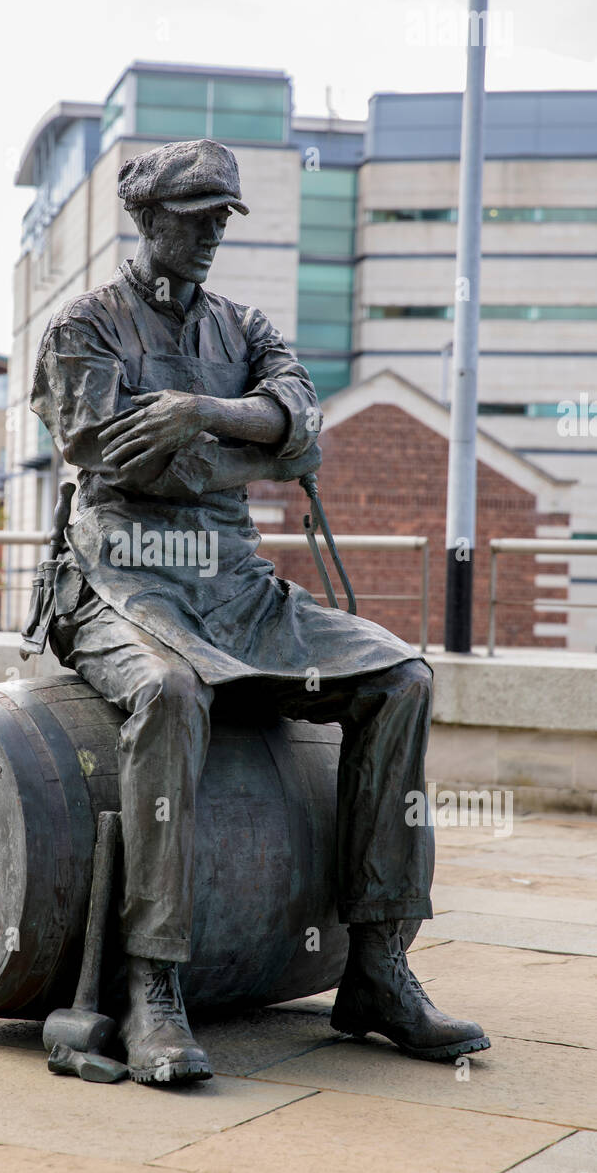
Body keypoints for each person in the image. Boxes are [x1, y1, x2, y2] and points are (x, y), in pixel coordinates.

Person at [30, 138, 489, 1084]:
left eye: (221, 221)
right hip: (123, 577)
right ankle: (154, 983)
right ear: (146, 217)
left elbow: (303, 432)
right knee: (168, 691)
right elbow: (109, 452)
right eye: (194, 219)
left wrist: (199, 414)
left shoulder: (245, 328)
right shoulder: (86, 327)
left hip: (236, 585)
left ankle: (376, 967)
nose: (209, 238)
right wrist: (252, 439)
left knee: (401, 677)